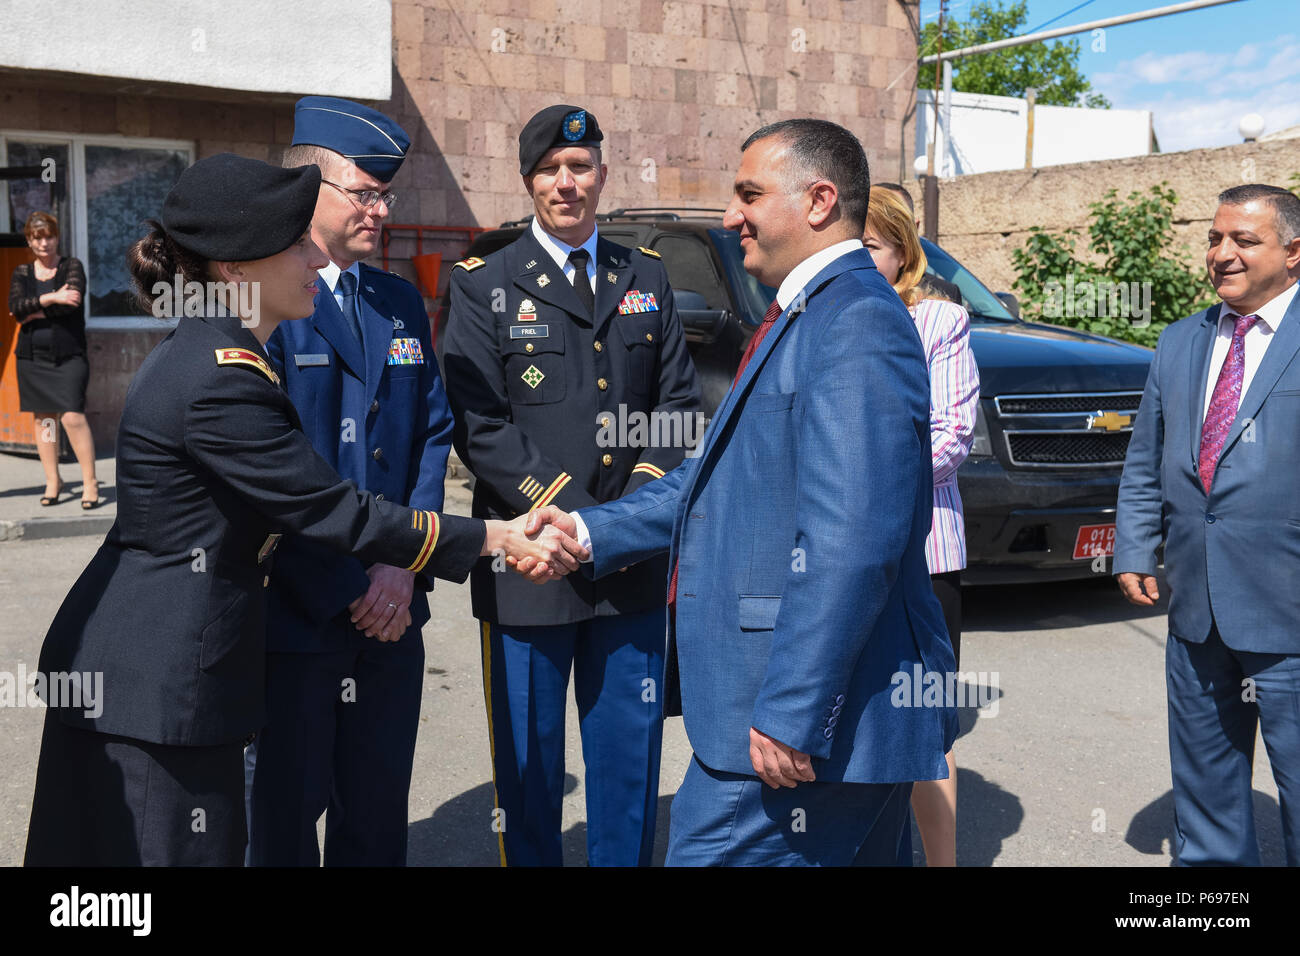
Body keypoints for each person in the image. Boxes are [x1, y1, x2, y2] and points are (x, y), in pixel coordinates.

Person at [22, 153, 585, 867]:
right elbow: (332, 509)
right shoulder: (218, 378)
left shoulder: (214, 353)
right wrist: (499, 537)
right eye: (294, 245)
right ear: (234, 270)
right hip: (157, 689)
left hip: (160, 677)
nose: (315, 261)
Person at [523, 119, 957, 866]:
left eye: (749, 193)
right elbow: (712, 478)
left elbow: (852, 542)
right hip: (829, 721)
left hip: (792, 725)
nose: (731, 215)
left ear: (819, 201)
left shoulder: (853, 323)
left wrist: (794, 712)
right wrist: (590, 533)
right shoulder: (810, 314)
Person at [441, 104, 701, 866]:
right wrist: (570, 524)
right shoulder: (485, 282)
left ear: (602, 177)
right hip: (530, 561)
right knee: (528, 777)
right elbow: (480, 422)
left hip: (627, 569)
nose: (567, 183)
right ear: (530, 182)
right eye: (551, 169)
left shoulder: (645, 275)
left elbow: (678, 410)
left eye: (581, 168)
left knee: (628, 768)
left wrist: (616, 526)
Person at [244, 97, 448, 867]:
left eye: (384, 193)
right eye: (365, 191)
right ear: (311, 190)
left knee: (375, 815)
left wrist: (402, 565)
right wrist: (350, 584)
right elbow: (270, 471)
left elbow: (431, 434)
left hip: (393, 612)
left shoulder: (397, 300)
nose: (382, 208)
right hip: (301, 610)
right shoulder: (266, 300)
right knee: (285, 822)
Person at [1115, 183, 1300, 866]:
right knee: (1207, 791)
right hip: (1195, 607)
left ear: (1294, 252)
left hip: (1290, 611)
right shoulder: (1180, 340)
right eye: (1215, 238)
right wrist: (1134, 546)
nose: (1222, 254)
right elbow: (1145, 458)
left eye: (1244, 240)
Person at [864, 186, 979, 866]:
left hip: (924, 554)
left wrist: (860, 490)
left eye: (873, 247)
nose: (857, 258)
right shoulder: (815, 315)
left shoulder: (938, 321)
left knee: (926, 723)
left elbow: (952, 435)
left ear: (903, 254)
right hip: (838, 557)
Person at [7, 211, 100, 508]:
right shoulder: (22, 272)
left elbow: (71, 303)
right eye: (38, 238)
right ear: (29, 241)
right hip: (32, 357)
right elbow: (15, 309)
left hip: (69, 355)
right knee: (45, 420)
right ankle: (53, 480)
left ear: (57, 237)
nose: (44, 243)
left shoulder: (71, 266)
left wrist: (34, 311)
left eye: (49, 236)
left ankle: (90, 482)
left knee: (72, 416)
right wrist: (49, 299)